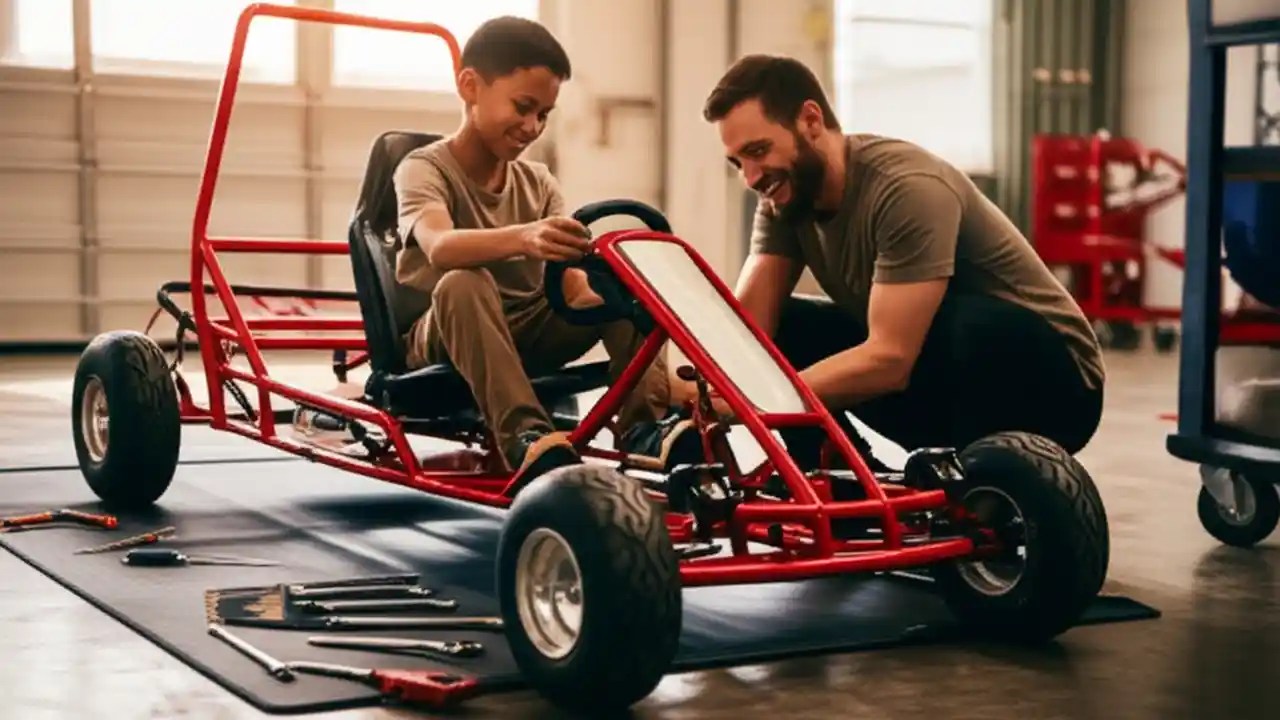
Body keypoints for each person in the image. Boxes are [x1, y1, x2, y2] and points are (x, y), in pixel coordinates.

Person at [698, 54, 1107, 470]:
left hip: (1055, 388)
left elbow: (891, 361)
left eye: (758, 151)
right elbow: (748, 333)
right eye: (737, 162)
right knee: (784, 327)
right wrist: (685, 401)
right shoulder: (786, 199)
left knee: (966, 322)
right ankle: (836, 479)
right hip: (937, 382)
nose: (749, 177)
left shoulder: (906, 187)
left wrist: (759, 402)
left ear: (810, 121)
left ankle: (976, 488)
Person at [392, 16, 698, 487]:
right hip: (447, 331)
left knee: (623, 284)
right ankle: (527, 438)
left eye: (544, 115)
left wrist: (625, 300)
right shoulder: (423, 168)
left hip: (528, 330)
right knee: (464, 280)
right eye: (523, 106)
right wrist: (525, 237)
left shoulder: (538, 182)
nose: (532, 126)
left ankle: (642, 432)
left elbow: (572, 290)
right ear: (470, 86)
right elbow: (440, 248)